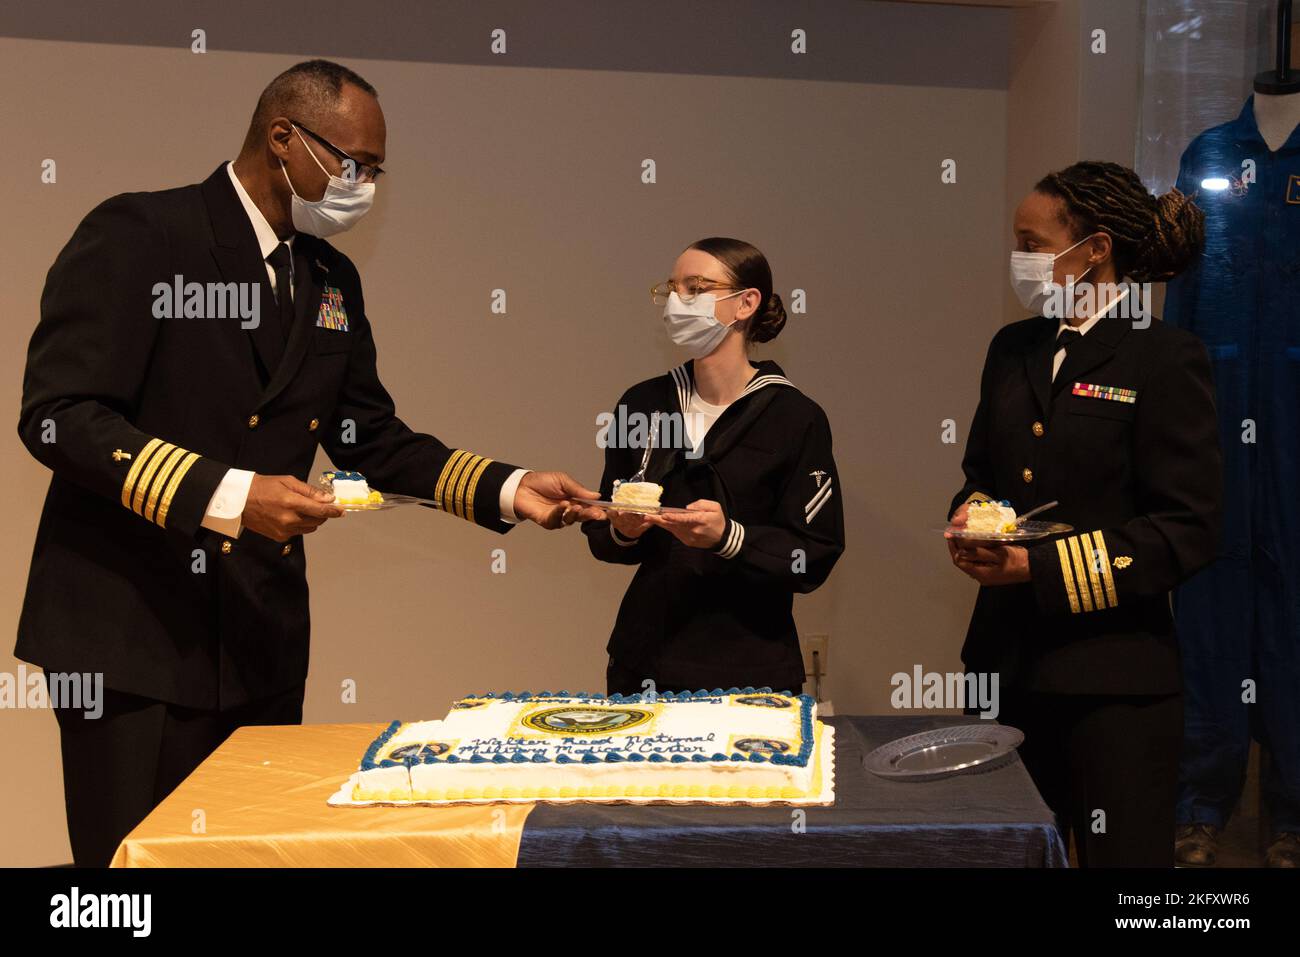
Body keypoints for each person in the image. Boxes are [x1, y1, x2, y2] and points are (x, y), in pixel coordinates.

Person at [16, 59, 596, 867]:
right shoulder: (144, 235)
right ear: (282, 137)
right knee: (131, 887)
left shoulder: (330, 279)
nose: (362, 185)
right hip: (134, 636)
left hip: (259, 634)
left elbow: (370, 438)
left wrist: (505, 485)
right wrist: (231, 494)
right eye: (351, 163)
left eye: (376, 172)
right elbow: (58, 416)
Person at [945, 161, 1223, 867]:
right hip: (1005, 666)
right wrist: (972, 514)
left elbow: (1185, 530)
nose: (1021, 259)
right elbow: (980, 475)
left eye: (1032, 242)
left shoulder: (1164, 356)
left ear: (1094, 249)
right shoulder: (1012, 348)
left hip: (1114, 682)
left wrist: (1035, 566)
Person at [581, 238, 845, 697]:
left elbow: (813, 556)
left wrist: (729, 537)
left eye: (695, 288)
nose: (677, 303)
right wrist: (623, 528)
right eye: (672, 289)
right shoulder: (642, 403)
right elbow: (604, 539)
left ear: (746, 303)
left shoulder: (795, 417)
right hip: (643, 659)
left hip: (751, 665)